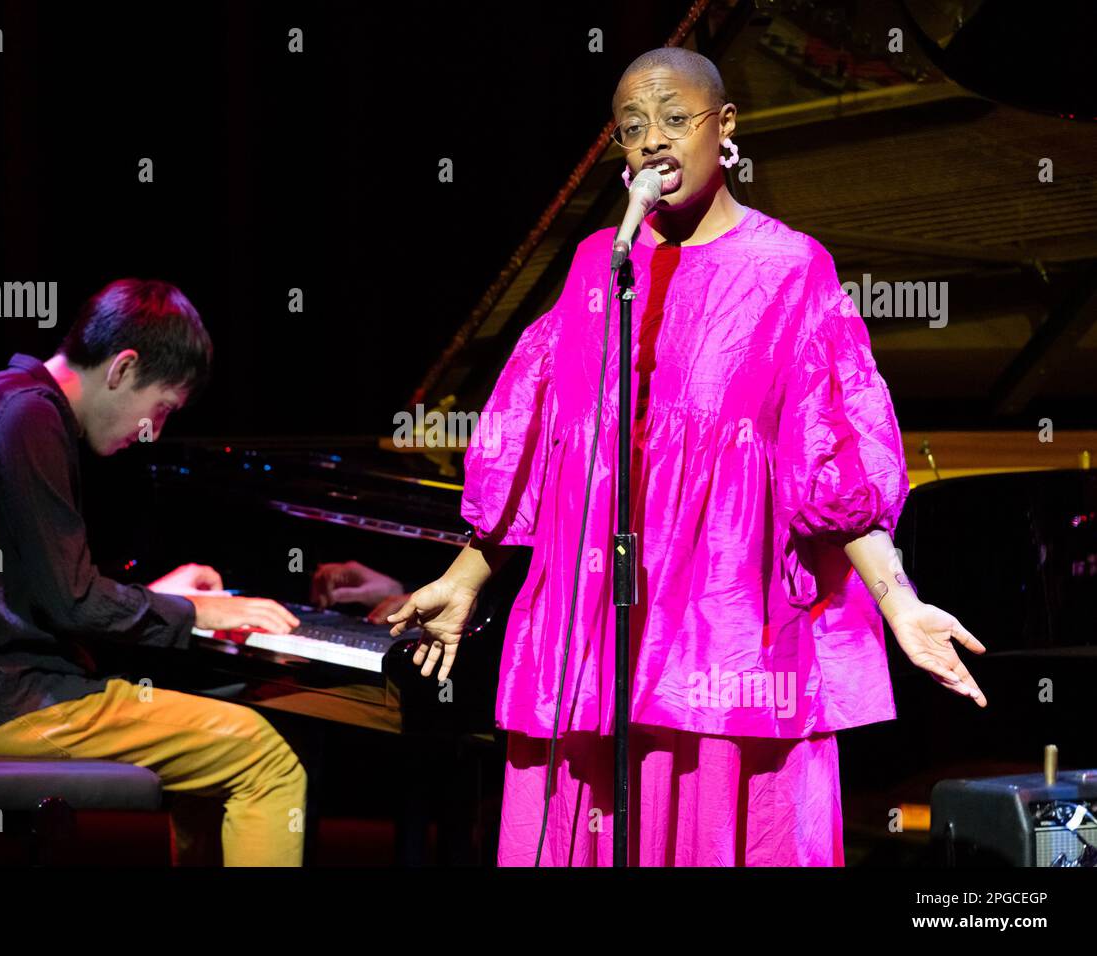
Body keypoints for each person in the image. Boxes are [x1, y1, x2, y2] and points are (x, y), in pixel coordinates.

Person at [388, 47, 987, 867]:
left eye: (676, 119)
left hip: (728, 636)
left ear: (726, 126)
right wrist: (466, 575)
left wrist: (900, 603)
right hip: (597, 629)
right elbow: (539, 433)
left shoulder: (790, 269)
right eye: (633, 129)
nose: (654, 143)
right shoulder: (602, 262)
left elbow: (831, 454)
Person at [0, 278, 307, 866]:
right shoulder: (30, 417)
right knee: (263, 756)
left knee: (213, 749)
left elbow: (34, 589)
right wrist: (198, 610)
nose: (152, 432)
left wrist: (152, 596)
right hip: (1, 702)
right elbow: (74, 603)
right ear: (122, 367)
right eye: (161, 408)